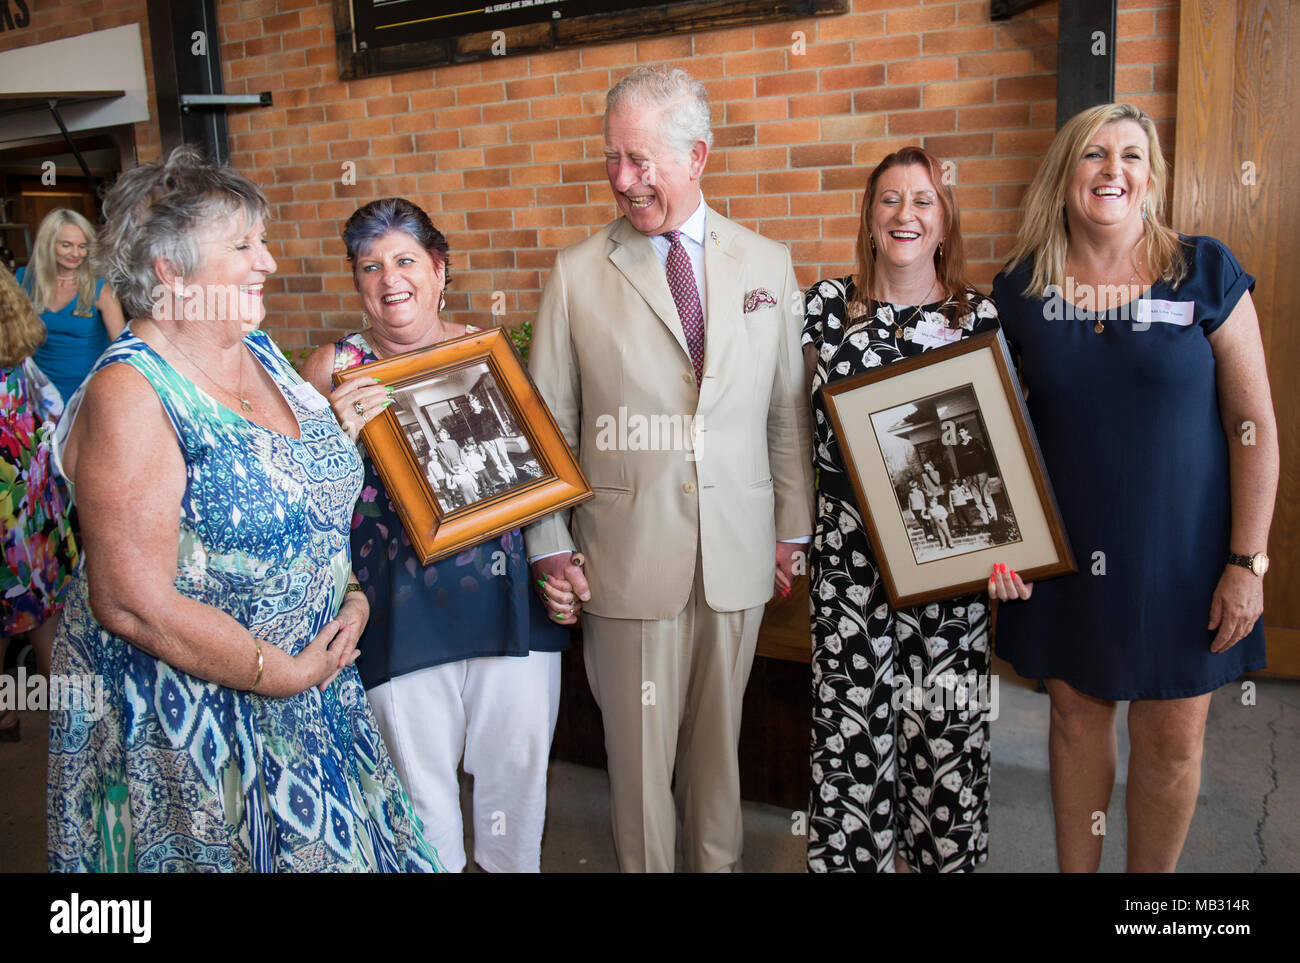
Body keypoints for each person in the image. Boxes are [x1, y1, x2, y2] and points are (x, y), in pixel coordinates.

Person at [46, 149, 439, 872]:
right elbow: (131, 601)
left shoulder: (260, 350)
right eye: (242, 245)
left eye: (261, 240)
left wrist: (349, 597)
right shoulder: (133, 391)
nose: (268, 260)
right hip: (202, 726)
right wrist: (278, 672)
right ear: (171, 269)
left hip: (318, 699)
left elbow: (309, 503)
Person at [524, 65, 814, 873]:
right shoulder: (577, 275)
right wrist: (549, 543)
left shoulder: (767, 265)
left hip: (738, 551)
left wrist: (792, 527)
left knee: (720, 756)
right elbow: (549, 425)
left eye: (641, 159)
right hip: (624, 556)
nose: (623, 180)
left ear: (699, 156)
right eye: (613, 159)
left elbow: (784, 411)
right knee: (642, 772)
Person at [990, 102, 1278, 873]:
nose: (1112, 171)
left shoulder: (1205, 271)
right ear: (1064, 176)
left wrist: (1247, 564)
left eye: (1131, 156)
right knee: (1076, 722)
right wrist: (998, 543)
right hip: (1068, 558)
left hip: (1184, 559)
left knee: (1173, 735)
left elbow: (1254, 424)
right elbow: (991, 434)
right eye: (1093, 154)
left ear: (1151, 179)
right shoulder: (1020, 290)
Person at [302, 197, 566, 874]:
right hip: (395, 609)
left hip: (508, 604)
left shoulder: (486, 351)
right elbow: (297, 493)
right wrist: (334, 434)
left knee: (516, 784)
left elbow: (534, 480)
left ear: (439, 269)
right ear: (357, 280)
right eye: (370, 266)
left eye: (405, 260)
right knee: (423, 809)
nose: (390, 279)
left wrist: (558, 560)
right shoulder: (333, 369)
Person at [803, 145, 1000, 873]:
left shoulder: (976, 316)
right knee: (851, 749)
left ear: (944, 220)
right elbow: (792, 431)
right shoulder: (823, 308)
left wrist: (1012, 548)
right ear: (869, 216)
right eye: (889, 199)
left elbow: (1000, 454)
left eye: (923, 200)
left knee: (943, 747)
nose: (905, 213)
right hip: (851, 571)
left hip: (951, 573)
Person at [0, 268, 79, 741]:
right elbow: (54, 422)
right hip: (37, 517)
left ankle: (6, 715)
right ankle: (71, 728)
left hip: (14, 516)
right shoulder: (21, 365)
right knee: (46, 620)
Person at [17, 209, 125, 404]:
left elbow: (121, 349)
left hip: (88, 392)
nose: (76, 254)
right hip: (39, 391)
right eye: (66, 245)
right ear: (48, 244)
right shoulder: (24, 279)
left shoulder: (101, 289)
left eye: (82, 246)